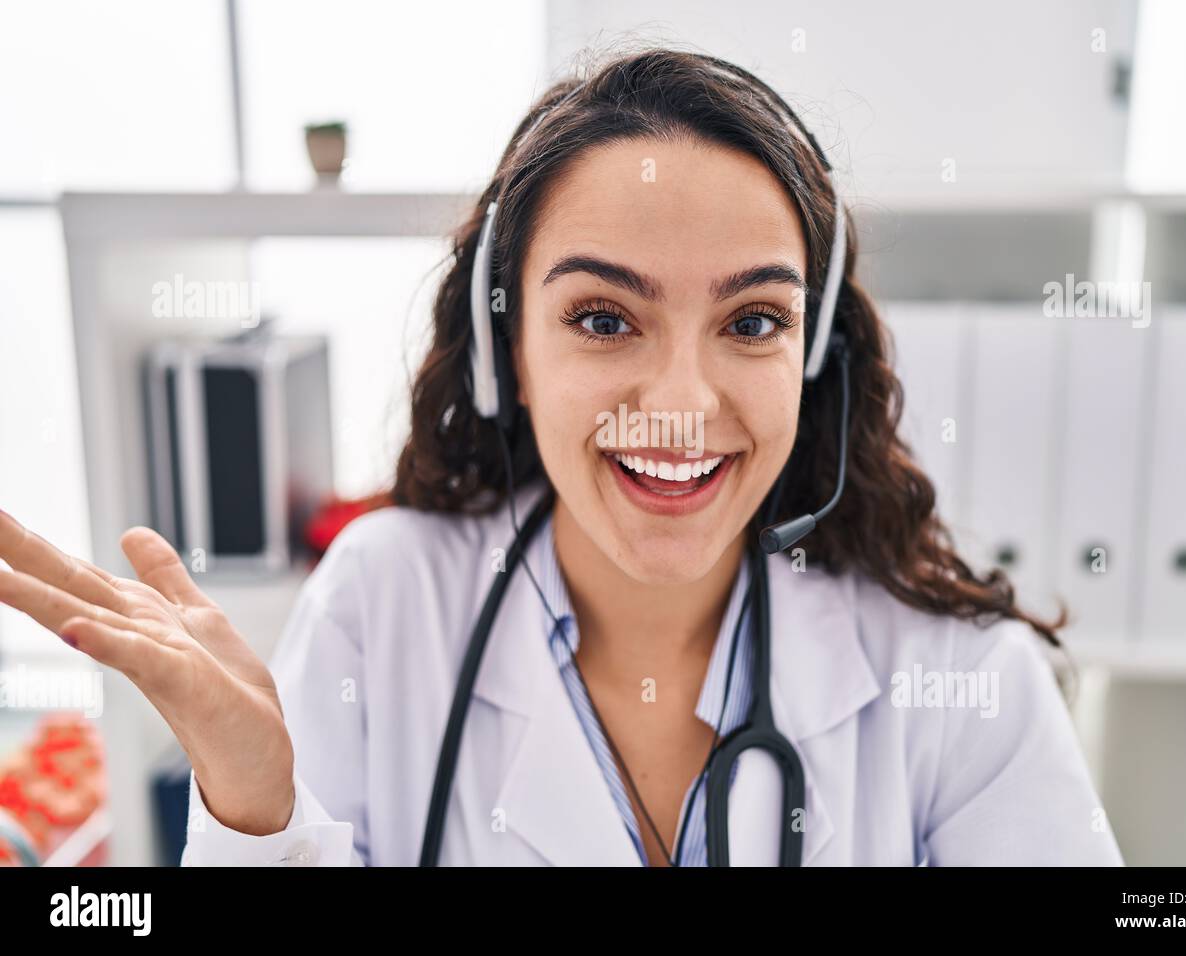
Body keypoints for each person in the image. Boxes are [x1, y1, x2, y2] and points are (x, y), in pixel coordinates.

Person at [0, 47, 1123, 866]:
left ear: (812, 360)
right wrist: (256, 811)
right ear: (508, 352)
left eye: (751, 322)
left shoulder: (961, 680)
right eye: (601, 318)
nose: (680, 403)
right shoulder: (385, 597)